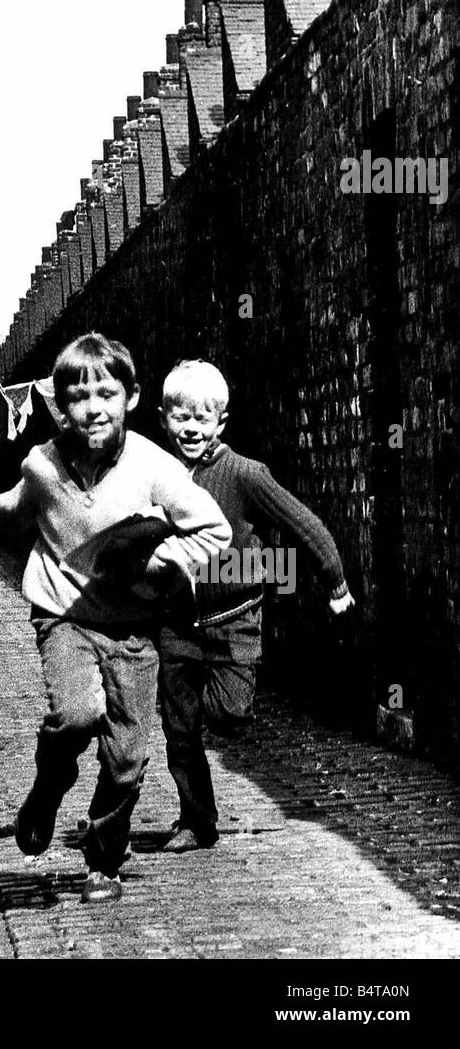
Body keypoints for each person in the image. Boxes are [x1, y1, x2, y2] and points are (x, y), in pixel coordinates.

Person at [0, 334, 232, 902]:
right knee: (78, 714)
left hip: (134, 628)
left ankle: (103, 857)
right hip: (64, 615)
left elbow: (214, 530)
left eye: (107, 393)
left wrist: (166, 563)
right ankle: (48, 788)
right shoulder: (43, 466)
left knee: (129, 756)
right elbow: (15, 507)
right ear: (60, 405)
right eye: (77, 396)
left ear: (131, 398)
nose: (93, 408)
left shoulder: (155, 468)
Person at [157, 359, 355, 852]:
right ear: (164, 419)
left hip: (236, 618)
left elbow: (303, 523)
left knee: (230, 714)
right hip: (176, 622)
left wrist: (335, 582)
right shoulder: (153, 473)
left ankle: (213, 716)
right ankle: (196, 820)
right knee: (178, 731)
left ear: (221, 422)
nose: (191, 428)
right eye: (181, 417)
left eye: (203, 419)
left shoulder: (245, 474)